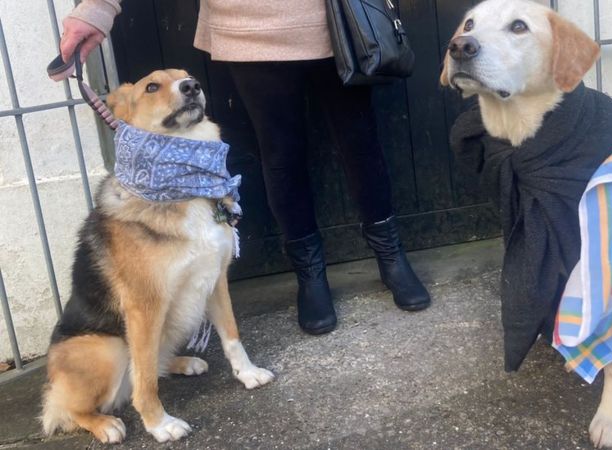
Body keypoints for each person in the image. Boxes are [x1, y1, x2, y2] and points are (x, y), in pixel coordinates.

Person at [61, 0, 431, 335]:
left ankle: (391, 256)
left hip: (341, 18)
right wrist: (98, 8)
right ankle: (310, 274)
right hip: (250, 29)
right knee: (281, 155)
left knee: (360, 143)